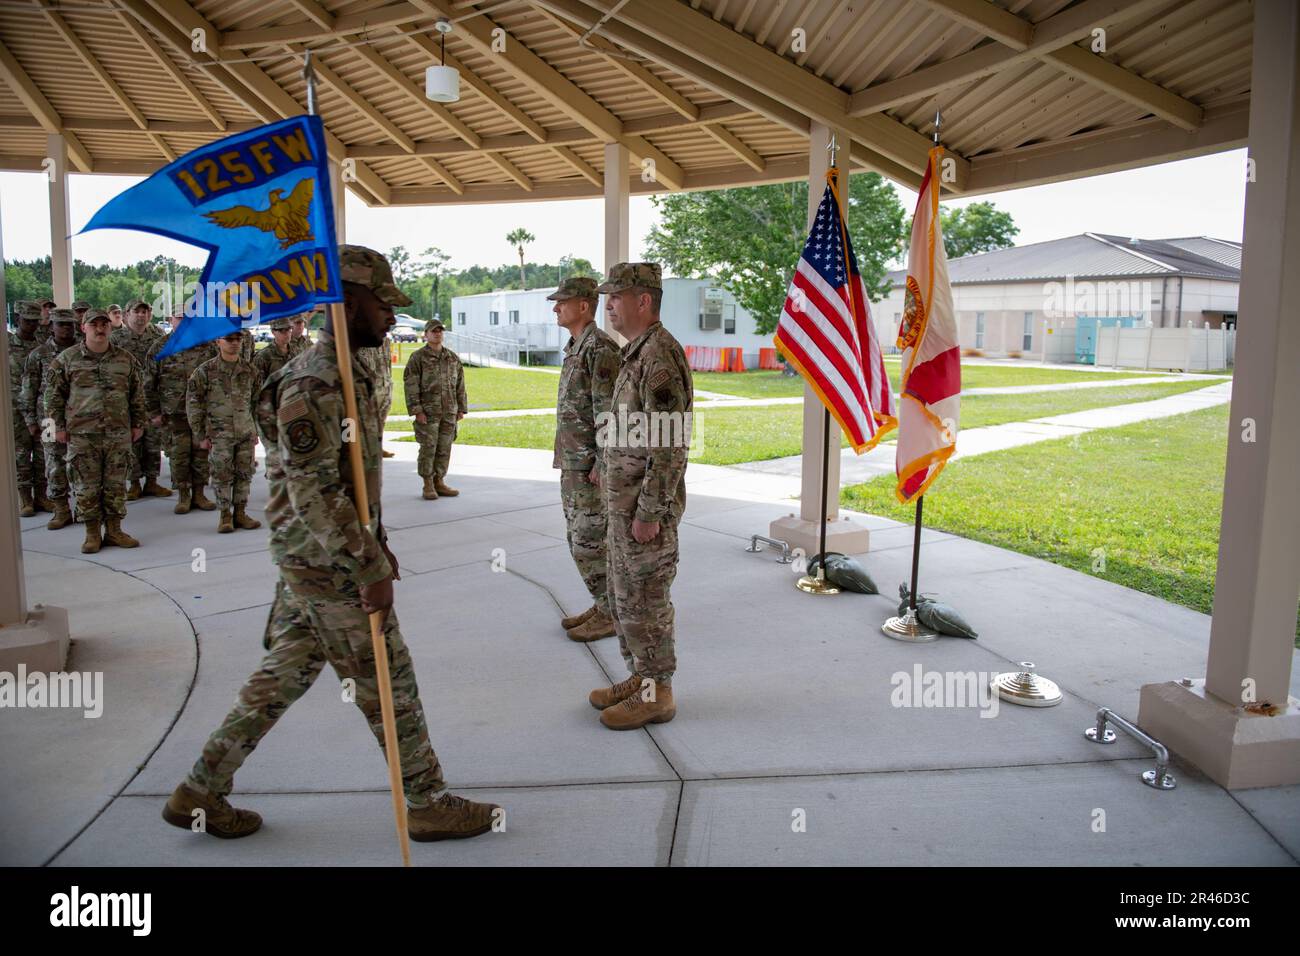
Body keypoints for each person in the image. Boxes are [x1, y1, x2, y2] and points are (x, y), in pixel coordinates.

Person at [162, 245, 500, 842]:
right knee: (388, 680)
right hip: (327, 561)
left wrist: (379, 540)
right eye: (382, 305)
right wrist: (367, 562)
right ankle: (424, 801)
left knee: (285, 671)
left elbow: (354, 477)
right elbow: (314, 491)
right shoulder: (312, 383)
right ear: (346, 301)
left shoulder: (352, 370)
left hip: (317, 556)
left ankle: (201, 789)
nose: (393, 318)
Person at [588, 262, 692, 730]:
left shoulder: (660, 357)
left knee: (646, 601)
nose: (607, 304)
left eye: (615, 296)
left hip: (643, 514)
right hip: (625, 507)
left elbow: (672, 445)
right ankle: (640, 678)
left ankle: (657, 693)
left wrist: (649, 511)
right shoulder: (638, 352)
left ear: (643, 301)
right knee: (626, 598)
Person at [549, 277, 620, 642]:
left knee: (589, 540)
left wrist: (602, 463)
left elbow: (610, 411)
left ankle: (610, 612)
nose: (556, 307)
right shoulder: (576, 346)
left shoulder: (600, 349)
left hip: (590, 467)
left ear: (583, 306)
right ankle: (602, 602)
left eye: (562, 301)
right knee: (578, 538)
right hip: (573, 461)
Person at [44, 309, 146, 553]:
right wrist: (56, 427)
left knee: (115, 485)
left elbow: (137, 394)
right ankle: (91, 533)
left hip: (117, 433)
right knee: (85, 487)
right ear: (84, 328)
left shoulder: (125, 359)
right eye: (94, 325)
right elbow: (52, 397)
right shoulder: (66, 360)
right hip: (82, 435)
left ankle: (114, 530)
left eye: (104, 324)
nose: (100, 329)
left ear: (111, 328)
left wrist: (138, 423)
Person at [187, 331, 262, 534]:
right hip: (219, 434)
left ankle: (240, 513)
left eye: (238, 339)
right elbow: (194, 404)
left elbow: (257, 403)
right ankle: (225, 516)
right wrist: (200, 434)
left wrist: (256, 429)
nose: (235, 343)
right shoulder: (205, 371)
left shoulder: (250, 370)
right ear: (218, 341)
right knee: (221, 474)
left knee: (244, 474)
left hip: (245, 432)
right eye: (229, 339)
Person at [147, 313, 218, 515]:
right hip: (173, 415)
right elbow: (148, 382)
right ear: (171, 320)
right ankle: (183, 495)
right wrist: (153, 412)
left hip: (200, 414)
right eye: (180, 318)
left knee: (201, 454)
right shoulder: (160, 347)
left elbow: (217, 379)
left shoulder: (208, 345)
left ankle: (199, 494)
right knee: (179, 457)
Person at [22, 309, 79, 530]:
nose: (66, 328)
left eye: (70, 324)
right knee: (54, 465)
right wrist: (30, 420)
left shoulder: (82, 351)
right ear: (51, 326)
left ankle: (84, 509)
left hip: (80, 419)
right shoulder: (39, 354)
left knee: (82, 465)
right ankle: (60, 510)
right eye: (61, 324)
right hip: (48, 420)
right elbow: (29, 390)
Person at [111, 299, 171, 500]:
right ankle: (134, 483)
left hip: (152, 398)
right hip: (127, 399)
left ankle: (152, 482)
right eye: (137, 311)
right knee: (132, 442)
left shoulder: (158, 336)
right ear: (127, 313)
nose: (141, 315)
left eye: (145, 311)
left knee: (153, 442)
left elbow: (166, 367)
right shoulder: (116, 338)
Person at [402, 320, 465, 500]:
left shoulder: (451, 357)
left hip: (449, 411)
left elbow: (459, 384)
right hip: (428, 413)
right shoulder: (418, 358)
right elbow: (411, 385)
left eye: (440, 331)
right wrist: (417, 410)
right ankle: (427, 484)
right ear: (426, 334)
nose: (437, 334)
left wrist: (461, 408)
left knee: (444, 447)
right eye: (433, 331)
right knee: (428, 448)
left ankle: (440, 481)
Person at [9, 303, 45, 516]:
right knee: (21, 454)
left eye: (35, 320)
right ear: (18, 319)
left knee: (44, 454)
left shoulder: (42, 347)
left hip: (43, 412)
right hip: (15, 410)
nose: (31, 324)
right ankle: (25, 499)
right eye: (27, 320)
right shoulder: (7, 344)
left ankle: (42, 496)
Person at [356, 329, 395, 458]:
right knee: (364, 421)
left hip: (384, 384)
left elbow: (387, 362)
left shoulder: (386, 342)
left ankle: (378, 447)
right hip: (370, 388)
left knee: (381, 420)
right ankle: (362, 448)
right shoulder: (362, 343)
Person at [252, 317, 295, 386]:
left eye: (289, 329)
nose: (287, 333)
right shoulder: (263, 356)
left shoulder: (297, 352)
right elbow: (256, 385)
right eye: (282, 330)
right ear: (273, 332)